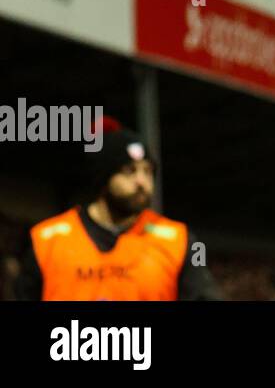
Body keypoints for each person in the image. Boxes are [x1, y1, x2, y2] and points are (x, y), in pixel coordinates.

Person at [14, 127, 220, 300]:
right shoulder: (45, 239)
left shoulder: (180, 240)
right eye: (129, 170)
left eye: (148, 171)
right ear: (104, 178)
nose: (141, 182)